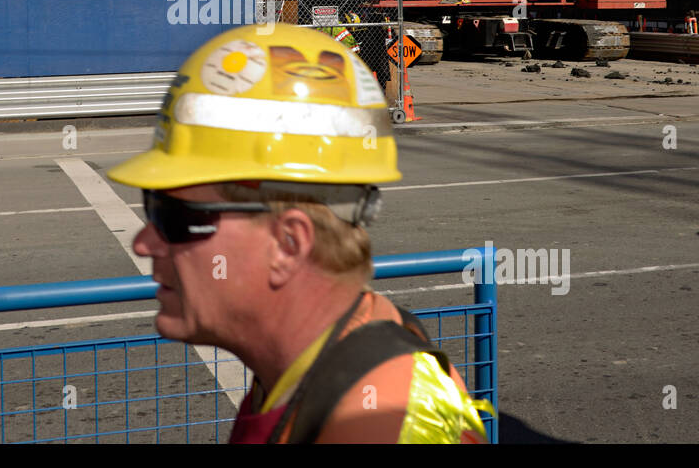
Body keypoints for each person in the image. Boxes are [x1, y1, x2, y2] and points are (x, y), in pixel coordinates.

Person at [108, 23, 493, 443]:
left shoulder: (377, 422)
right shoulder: (295, 375)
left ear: (288, 244)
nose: (143, 242)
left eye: (174, 216)